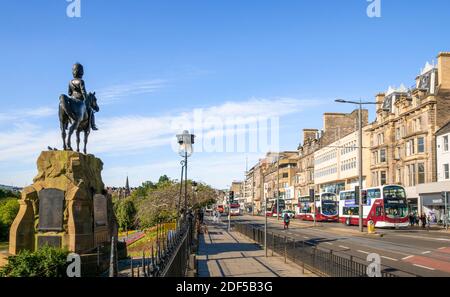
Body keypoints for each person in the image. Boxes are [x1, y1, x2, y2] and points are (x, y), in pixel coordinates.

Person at [68, 63, 98, 130]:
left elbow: (69, 93)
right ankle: (93, 125)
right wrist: (86, 99)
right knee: (90, 111)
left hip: (72, 100)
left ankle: (67, 123)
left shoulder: (70, 82)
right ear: (81, 72)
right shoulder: (81, 81)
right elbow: (83, 92)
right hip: (80, 100)